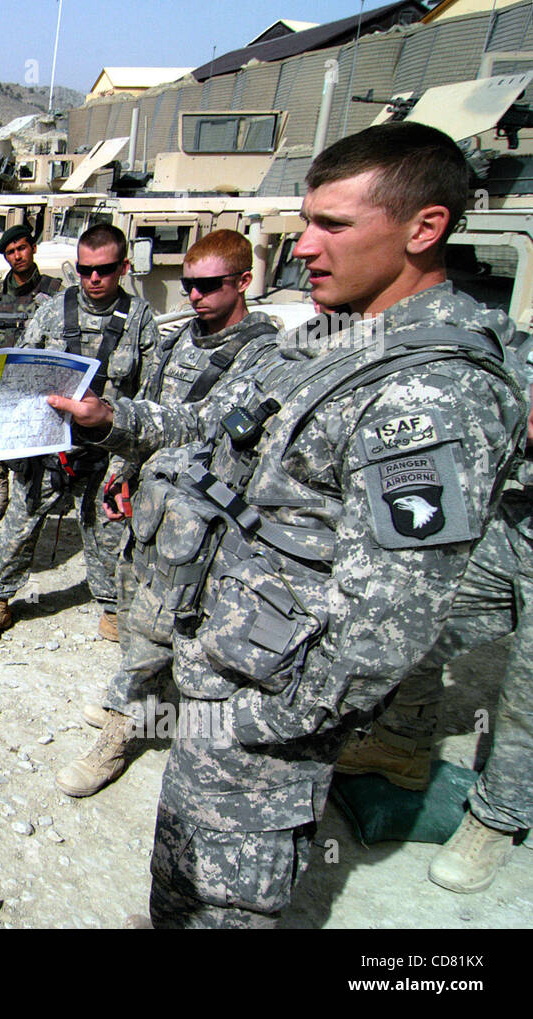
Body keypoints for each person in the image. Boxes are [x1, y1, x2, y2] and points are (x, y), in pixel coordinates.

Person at [49, 122, 529, 927]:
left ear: (425, 228)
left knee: (229, 902)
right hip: (219, 663)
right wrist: (108, 419)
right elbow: (210, 423)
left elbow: (384, 631)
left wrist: (255, 725)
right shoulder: (332, 334)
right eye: (306, 221)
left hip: (264, 710)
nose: (303, 246)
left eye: (332, 225)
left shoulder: (429, 397)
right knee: (184, 874)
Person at [56, 229, 280, 797]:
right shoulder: (184, 339)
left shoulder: (265, 358)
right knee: (137, 610)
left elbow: (203, 430)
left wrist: (110, 421)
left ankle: (123, 724)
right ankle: (141, 704)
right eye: (189, 285)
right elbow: (154, 405)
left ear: (244, 282)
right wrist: (124, 474)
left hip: (200, 518)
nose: (196, 296)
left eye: (209, 286)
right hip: (153, 501)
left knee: (161, 623)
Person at [335, 388, 533, 893]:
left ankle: (497, 819)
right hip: (519, 525)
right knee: (416, 625)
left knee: (525, 699)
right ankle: (402, 745)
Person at [0, 224, 158, 648]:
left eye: (106, 270)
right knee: (19, 527)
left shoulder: (141, 321)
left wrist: (128, 465)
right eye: (88, 269)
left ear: (123, 267)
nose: (95, 279)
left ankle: (112, 607)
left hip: (106, 452)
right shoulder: (53, 311)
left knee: (108, 534)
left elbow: (149, 396)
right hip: (49, 449)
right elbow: (20, 373)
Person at [0, 224, 61, 524]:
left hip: (35, 383)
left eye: (22, 248)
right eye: (10, 252)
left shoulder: (54, 290)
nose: (17, 256)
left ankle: (34, 494)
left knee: (33, 439)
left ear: (33, 248)